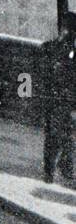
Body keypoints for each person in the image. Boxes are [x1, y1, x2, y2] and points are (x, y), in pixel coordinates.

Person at [38, 11, 76, 184]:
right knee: (59, 135)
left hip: (59, 101)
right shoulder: (56, 49)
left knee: (60, 135)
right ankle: (55, 170)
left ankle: (55, 169)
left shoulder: (50, 48)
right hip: (60, 101)